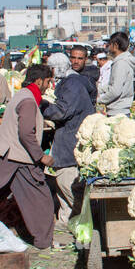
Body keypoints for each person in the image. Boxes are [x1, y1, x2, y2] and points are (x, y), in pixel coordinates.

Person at [0, 64, 56, 250]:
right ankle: (43, 241)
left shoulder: (22, 94)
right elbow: (26, 133)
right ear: (39, 80)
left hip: (9, 155)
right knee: (42, 201)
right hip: (19, 159)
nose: (49, 85)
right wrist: (41, 157)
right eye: (48, 81)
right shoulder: (28, 101)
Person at [43, 55, 95, 230]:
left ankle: (81, 216)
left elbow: (62, 111)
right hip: (67, 135)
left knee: (67, 180)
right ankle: (66, 219)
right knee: (62, 180)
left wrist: (44, 107)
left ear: (56, 68)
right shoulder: (70, 83)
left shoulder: (72, 84)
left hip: (71, 136)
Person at [98, 32, 135, 116]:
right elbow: (113, 86)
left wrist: (99, 100)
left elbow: (115, 91)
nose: (108, 47)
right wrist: (99, 89)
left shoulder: (120, 63)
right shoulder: (124, 61)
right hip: (121, 110)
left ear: (115, 45)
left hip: (117, 112)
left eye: (109, 44)